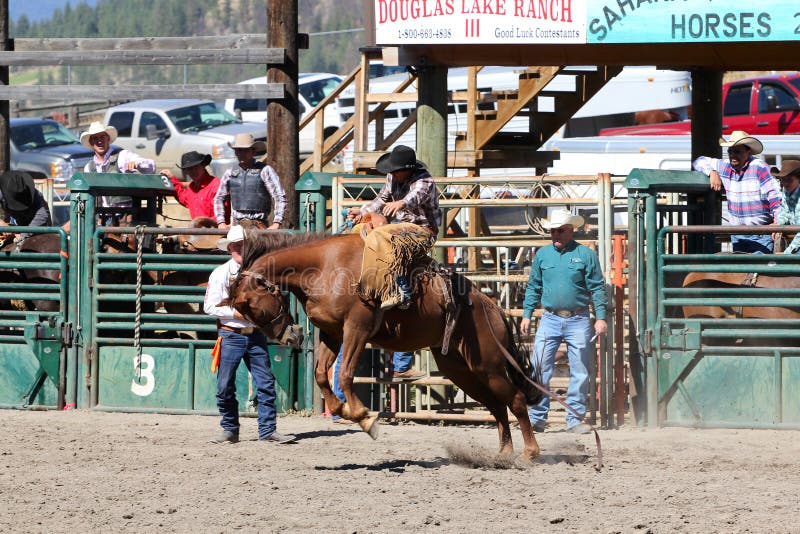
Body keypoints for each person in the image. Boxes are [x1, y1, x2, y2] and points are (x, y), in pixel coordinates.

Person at [346, 145, 440, 382]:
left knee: (384, 237)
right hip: (399, 228)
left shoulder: (424, 181)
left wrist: (401, 205)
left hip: (422, 230)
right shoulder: (393, 178)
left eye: (396, 171)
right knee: (359, 229)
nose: (393, 174)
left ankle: (401, 289)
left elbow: (414, 197)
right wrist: (363, 211)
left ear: (407, 170)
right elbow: (382, 198)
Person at [203, 225, 295, 444]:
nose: (242, 250)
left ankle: (266, 430)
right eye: (238, 247)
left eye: (245, 246)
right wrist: (237, 312)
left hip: (253, 334)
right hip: (231, 334)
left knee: (265, 383)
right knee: (225, 385)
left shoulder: (259, 273)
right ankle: (231, 428)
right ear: (231, 249)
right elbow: (209, 306)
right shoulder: (221, 274)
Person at [520, 209, 608, 435]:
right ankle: (537, 417)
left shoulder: (585, 255)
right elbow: (534, 286)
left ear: (570, 230)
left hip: (578, 318)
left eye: (560, 230)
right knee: (540, 367)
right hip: (549, 318)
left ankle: (574, 419)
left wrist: (600, 318)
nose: (556, 234)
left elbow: (597, 287)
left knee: (580, 371)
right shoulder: (543, 255)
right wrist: (527, 314)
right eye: (553, 230)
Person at [693, 130, 781, 254]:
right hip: (738, 234)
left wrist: (778, 222)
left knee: (756, 271)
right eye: (730, 151)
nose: (733, 155)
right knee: (742, 271)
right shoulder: (725, 166)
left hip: (760, 233)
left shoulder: (760, 168)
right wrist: (711, 172)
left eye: (737, 151)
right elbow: (699, 161)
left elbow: (775, 196)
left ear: (748, 151)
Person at [80, 121, 156, 223]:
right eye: (95, 138)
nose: (99, 141)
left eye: (102, 137)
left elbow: (151, 166)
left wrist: (137, 163)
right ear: (91, 142)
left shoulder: (123, 156)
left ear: (107, 138)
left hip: (126, 216)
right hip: (102, 218)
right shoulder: (89, 168)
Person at [213, 134, 286, 230]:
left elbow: (279, 196)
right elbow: (218, 198)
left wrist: (277, 222)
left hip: (258, 225)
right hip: (236, 226)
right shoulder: (230, 172)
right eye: (239, 150)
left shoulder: (265, 170)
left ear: (253, 151)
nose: (241, 153)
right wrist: (221, 222)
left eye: (245, 150)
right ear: (235, 152)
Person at [160, 150, 223, 221]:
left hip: (214, 230)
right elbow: (182, 197)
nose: (193, 171)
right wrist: (172, 179)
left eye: (196, 167)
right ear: (186, 171)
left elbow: (222, 215)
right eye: (190, 169)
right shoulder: (191, 188)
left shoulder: (216, 186)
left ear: (203, 165)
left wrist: (204, 224)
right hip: (199, 230)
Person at [0, 170, 53, 242]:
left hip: (37, 222)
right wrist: (1, 223)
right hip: (20, 221)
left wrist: (23, 235)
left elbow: (42, 216)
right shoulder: (1, 192)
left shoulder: (34, 195)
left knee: (45, 239)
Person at [771, 160, 800, 254]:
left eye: (790, 179)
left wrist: (786, 254)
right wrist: (779, 224)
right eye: (783, 179)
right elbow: (786, 211)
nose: (786, 183)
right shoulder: (786, 190)